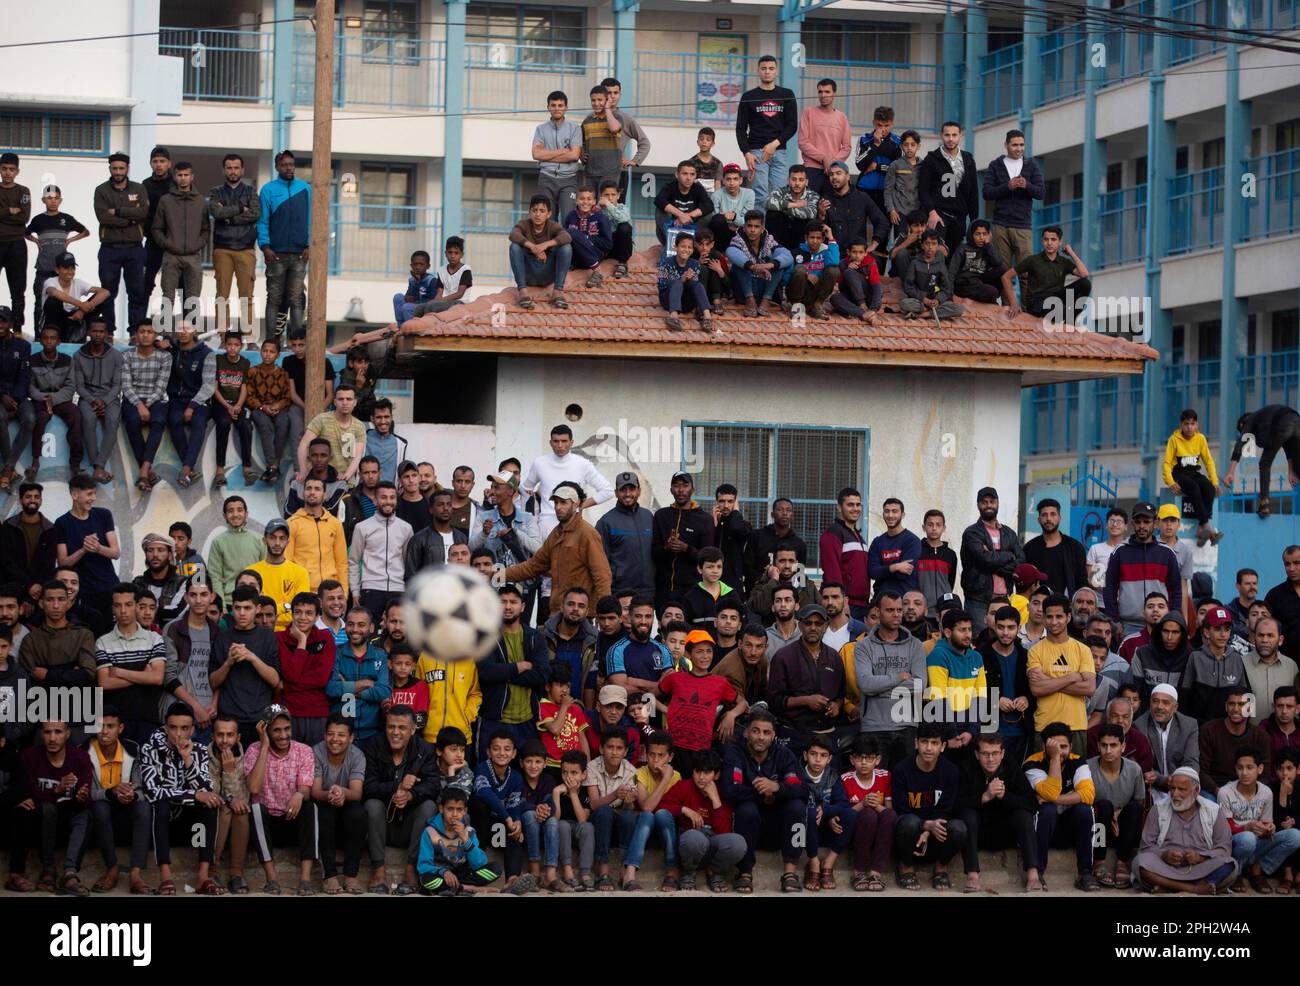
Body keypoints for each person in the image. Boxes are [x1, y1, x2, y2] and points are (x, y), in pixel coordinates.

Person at [140, 702, 225, 895]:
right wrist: (193, 795)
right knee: (159, 806)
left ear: (192, 729)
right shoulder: (149, 750)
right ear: (165, 727)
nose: (178, 734)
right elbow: (153, 791)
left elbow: (206, 790)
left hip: (191, 826)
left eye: (184, 728)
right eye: (173, 727)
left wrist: (188, 760)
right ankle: (166, 877)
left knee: (209, 806)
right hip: (163, 820)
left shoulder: (200, 751)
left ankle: (203, 877)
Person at [721, 709, 805, 894]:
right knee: (746, 809)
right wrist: (762, 792)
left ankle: (790, 872)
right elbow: (729, 790)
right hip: (747, 827)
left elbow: (802, 789)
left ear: (774, 735)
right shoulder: (735, 752)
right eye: (755, 731)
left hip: (778, 827)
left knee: (798, 806)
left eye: (766, 732)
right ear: (746, 732)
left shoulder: (784, 755)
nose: (761, 737)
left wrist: (777, 788)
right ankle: (744, 872)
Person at [9, 719, 92, 896]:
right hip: (40, 822)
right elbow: (28, 795)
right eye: (47, 732)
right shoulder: (29, 756)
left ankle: (69, 874)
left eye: (58, 732)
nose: (52, 738)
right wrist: (57, 790)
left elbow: (85, 798)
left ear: (67, 734)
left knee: (84, 815)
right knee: (47, 808)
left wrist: (81, 796)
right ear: (41, 734)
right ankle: (48, 871)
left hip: (67, 817)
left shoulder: (80, 757)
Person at [362, 704, 439, 895]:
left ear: (413, 730)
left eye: (402, 728)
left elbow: (434, 786)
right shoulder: (372, 745)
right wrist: (397, 787)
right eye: (391, 727)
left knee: (429, 806)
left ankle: (411, 869)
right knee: (372, 805)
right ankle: (379, 870)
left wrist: (411, 795)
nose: (395, 732)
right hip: (380, 826)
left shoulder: (425, 749)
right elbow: (367, 786)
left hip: (410, 827)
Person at [243, 707, 318, 895]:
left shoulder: (304, 750)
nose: (283, 735)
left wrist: (299, 794)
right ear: (265, 729)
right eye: (276, 730)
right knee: (256, 809)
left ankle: (306, 879)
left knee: (311, 807)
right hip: (266, 825)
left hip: (292, 819)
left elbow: (306, 789)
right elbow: (253, 788)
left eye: (287, 729)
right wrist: (264, 746)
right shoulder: (254, 749)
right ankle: (272, 879)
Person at [958, 731, 1042, 892]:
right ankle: (972, 876)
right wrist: (984, 796)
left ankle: (1033, 875)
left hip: (1005, 832)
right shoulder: (966, 767)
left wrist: (1005, 796)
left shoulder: (1011, 767)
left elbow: (1032, 803)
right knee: (967, 813)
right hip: (978, 833)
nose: (990, 759)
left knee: (1023, 814)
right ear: (977, 754)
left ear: (1002, 753)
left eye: (995, 753)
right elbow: (955, 804)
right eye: (985, 754)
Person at [81, 709, 152, 894]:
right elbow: (86, 793)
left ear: (120, 728)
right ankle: (112, 869)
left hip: (126, 807)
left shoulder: (133, 749)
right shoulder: (83, 751)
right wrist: (111, 793)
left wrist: (132, 795)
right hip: (102, 806)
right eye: (100, 726)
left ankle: (135, 874)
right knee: (99, 808)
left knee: (143, 807)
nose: (104, 731)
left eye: (110, 726)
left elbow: (142, 789)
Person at [1024, 720, 1099, 890]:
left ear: (1071, 746)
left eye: (1063, 747)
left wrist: (1051, 798)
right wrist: (1055, 758)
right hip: (1043, 828)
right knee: (1047, 810)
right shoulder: (1032, 764)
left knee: (1085, 810)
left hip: (1069, 827)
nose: (1060, 751)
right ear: (1044, 745)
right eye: (1054, 747)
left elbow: (1088, 795)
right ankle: (1039, 872)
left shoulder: (1078, 762)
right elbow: (1050, 792)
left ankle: (1085, 874)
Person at [767, 603, 850, 754]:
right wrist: (806, 700)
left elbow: (841, 695)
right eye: (808, 623)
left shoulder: (834, 657)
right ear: (800, 626)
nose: (813, 627)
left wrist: (836, 706)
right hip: (794, 733)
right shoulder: (784, 656)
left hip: (826, 734)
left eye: (818, 623)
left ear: (825, 626)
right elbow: (774, 700)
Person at [892, 722, 967, 890]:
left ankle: (941, 867)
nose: (928, 748)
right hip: (909, 833)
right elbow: (900, 808)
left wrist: (928, 830)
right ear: (916, 743)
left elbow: (947, 808)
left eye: (934, 743)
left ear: (943, 746)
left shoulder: (951, 771)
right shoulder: (901, 770)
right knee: (909, 822)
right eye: (924, 742)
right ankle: (906, 867)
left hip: (936, 831)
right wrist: (924, 825)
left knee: (959, 828)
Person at [208, 584, 282, 747]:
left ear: (257, 608)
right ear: (232, 608)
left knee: (260, 770)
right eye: (237, 608)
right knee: (230, 769)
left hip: (261, 717)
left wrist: (251, 657)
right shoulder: (223, 638)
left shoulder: (268, 637)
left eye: (247, 608)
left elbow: (275, 680)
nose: (242, 613)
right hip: (229, 718)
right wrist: (229, 662)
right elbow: (213, 682)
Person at [1220, 745, 1300, 892]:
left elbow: (1266, 823)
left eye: (1250, 767)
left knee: (1295, 836)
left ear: (1260, 769)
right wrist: (1246, 827)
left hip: (1257, 845)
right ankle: (1235, 873)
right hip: (1236, 844)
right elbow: (1223, 831)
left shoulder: (1266, 792)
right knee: (1247, 838)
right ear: (1235, 768)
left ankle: (1258, 869)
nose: (1244, 772)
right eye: (1240, 768)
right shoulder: (1225, 792)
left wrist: (1269, 829)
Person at [94, 582, 166, 745]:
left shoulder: (154, 639)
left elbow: (157, 678)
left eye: (128, 604)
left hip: (147, 720)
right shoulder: (103, 642)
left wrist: (119, 671)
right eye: (118, 605)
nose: (123, 611)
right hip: (115, 723)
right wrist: (143, 674)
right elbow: (105, 682)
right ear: (112, 608)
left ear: (136, 606)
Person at [1027, 594, 1096, 754]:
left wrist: (1048, 681)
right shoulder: (1035, 650)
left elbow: (1089, 688)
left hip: (1076, 726)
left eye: (1059, 616)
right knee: (1043, 777)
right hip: (1045, 725)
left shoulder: (1083, 650)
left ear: (1068, 617)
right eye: (1049, 617)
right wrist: (1071, 677)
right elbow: (1037, 689)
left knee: (1075, 777)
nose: (1054, 622)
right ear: (1043, 618)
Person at [92, 152, 150, 334]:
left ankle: (136, 332)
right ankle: (108, 331)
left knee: (137, 292)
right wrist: (130, 219)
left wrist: (117, 211)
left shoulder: (139, 189)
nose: (118, 172)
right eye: (114, 168)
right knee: (108, 292)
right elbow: (103, 217)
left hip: (134, 248)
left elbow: (143, 214)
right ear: (109, 168)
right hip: (110, 248)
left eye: (121, 168)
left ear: (127, 169)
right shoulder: (101, 190)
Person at [1104, 501, 1181, 635]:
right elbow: (1109, 587)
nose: (1142, 526)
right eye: (1138, 522)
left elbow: (1176, 590)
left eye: (1146, 522)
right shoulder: (1120, 552)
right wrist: (1114, 621)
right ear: (1133, 523)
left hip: (1161, 624)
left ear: (1155, 523)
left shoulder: (1167, 553)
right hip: (1127, 626)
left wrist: (1173, 619)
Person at [309, 713, 366, 894]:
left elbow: (356, 793)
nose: (335, 739)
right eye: (331, 734)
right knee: (323, 813)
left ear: (351, 738)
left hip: (346, 802)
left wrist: (342, 792)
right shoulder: (316, 752)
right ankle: (330, 876)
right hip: (324, 801)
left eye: (341, 735)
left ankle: (351, 876)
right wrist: (331, 794)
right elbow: (315, 791)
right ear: (325, 735)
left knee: (358, 813)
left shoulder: (357, 755)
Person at [258, 150, 311, 339]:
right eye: (284, 165)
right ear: (277, 167)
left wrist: (309, 244)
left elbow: (312, 219)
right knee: (273, 299)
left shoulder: (305, 188)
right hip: (276, 254)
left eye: (291, 164)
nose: (288, 167)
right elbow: (262, 221)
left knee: (296, 299)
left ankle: (297, 341)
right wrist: (265, 247)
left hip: (299, 254)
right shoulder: (268, 190)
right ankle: (271, 342)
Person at [52, 472, 119, 620]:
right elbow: (62, 563)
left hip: (108, 587)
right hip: (82, 591)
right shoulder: (62, 523)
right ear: (75, 495)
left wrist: (98, 548)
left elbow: (115, 553)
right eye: (89, 494)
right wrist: (83, 550)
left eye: (94, 494)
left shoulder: (104, 515)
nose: (93, 499)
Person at [206, 152, 260, 333]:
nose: (233, 171)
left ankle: (249, 335)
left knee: (247, 296)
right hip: (222, 248)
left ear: (242, 169)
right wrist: (238, 209)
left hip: (246, 248)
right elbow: (217, 213)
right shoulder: (215, 192)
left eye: (236, 167)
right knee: (222, 295)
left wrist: (229, 217)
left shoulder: (251, 191)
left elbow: (255, 213)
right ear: (224, 170)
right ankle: (223, 335)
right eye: (229, 167)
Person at [26, 184, 90, 334]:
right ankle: (38, 334)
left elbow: (85, 231)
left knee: (63, 302)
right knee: (40, 303)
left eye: (56, 198)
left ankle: (60, 334)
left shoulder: (66, 219)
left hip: (61, 270)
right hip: (43, 267)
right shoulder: (38, 219)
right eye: (49, 198)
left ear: (60, 200)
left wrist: (69, 240)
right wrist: (35, 241)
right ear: (43, 200)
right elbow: (26, 232)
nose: (53, 201)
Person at [1087, 722, 1145, 888]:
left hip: (1122, 828)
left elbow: (1138, 800)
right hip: (1097, 828)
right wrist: (1109, 813)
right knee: (1103, 806)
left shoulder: (1134, 769)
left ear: (1123, 746)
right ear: (1098, 746)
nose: (1108, 750)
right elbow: (1085, 802)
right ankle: (1099, 862)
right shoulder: (1088, 767)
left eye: (1113, 745)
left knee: (1135, 809)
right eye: (1104, 745)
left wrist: (1118, 813)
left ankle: (1122, 862)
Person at [735, 54, 798, 205]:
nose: (767, 71)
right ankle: (759, 229)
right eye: (764, 69)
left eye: (771, 68)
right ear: (758, 71)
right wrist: (746, 153)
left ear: (776, 71)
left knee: (781, 195)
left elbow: (792, 125)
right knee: (760, 195)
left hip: (779, 151)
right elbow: (740, 129)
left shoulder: (786, 94)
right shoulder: (748, 96)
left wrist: (774, 144)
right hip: (756, 153)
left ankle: (778, 229)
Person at [417, 786, 502, 896]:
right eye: (450, 809)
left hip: (464, 876)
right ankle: (471, 889)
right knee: (425, 879)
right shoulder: (430, 832)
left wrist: (465, 839)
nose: (455, 814)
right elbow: (423, 866)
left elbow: (480, 864)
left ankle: (458, 888)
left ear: (465, 811)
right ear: (441, 809)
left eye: (459, 809)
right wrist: (443, 872)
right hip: (441, 875)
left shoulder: (469, 831)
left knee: (495, 868)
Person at [68, 319, 123, 487]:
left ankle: (98, 466)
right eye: (94, 331)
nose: (98, 334)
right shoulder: (78, 355)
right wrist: (93, 400)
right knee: (88, 420)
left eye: (101, 331)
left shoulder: (115, 355)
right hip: (88, 397)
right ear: (88, 333)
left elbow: (117, 385)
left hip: (110, 398)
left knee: (113, 421)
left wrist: (104, 401)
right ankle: (98, 466)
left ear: (106, 334)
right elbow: (79, 386)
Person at [23, 324, 82, 479]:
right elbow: (29, 386)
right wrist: (43, 398)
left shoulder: (67, 360)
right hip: (40, 400)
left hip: (60, 399)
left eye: (53, 338)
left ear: (59, 341)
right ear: (41, 341)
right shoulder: (33, 360)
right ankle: (35, 462)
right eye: (45, 338)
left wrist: (53, 399)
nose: (49, 341)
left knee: (76, 415)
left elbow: (71, 386)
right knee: (40, 418)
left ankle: (75, 464)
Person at [347, 481, 412, 623]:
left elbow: (407, 561)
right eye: (383, 497)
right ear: (375, 501)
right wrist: (356, 591)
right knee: (370, 633)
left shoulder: (406, 528)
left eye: (392, 497)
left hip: (398, 589)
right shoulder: (362, 527)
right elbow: (353, 561)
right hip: (371, 590)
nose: (388, 501)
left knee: (396, 633)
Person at [959, 486, 1023, 629]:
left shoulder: (1009, 533)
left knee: (1004, 640)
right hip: (978, 600)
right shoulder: (972, 533)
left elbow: (1020, 562)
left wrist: (992, 560)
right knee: (980, 642)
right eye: (984, 502)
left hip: (1004, 599)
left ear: (998, 503)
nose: (988, 505)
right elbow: (984, 559)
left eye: (992, 501)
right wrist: (1008, 555)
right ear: (978, 505)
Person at [152, 160, 210, 317]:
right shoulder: (166, 200)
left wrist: (198, 244)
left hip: (193, 256)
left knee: (192, 299)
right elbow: (156, 228)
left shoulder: (200, 201)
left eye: (186, 175)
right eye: (180, 175)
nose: (183, 178)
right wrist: (167, 244)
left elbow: (206, 229)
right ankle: (166, 336)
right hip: (171, 255)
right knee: (168, 298)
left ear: (192, 177)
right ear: (174, 177)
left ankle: (191, 335)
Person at [325, 606, 390, 742]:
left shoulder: (380, 655)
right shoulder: (336, 653)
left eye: (361, 625)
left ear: (371, 628)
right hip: (341, 735)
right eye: (350, 624)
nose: (355, 629)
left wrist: (349, 688)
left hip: (372, 734)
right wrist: (366, 684)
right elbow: (331, 689)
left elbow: (384, 691)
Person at [1002, 225, 1092, 323]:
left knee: (1085, 284)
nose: (1049, 243)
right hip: (1037, 303)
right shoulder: (1033, 260)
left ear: (1060, 242)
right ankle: (1068, 318)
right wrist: (1013, 303)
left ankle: (1069, 320)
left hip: (1056, 299)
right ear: (1042, 241)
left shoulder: (1064, 262)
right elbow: (1006, 277)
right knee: (1064, 310)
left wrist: (1071, 253)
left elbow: (1084, 274)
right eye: (1046, 239)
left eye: (1053, 240)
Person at [982, 129, 1045, 267]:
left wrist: (1026, 185)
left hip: (1022, 225)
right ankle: (1004, 290)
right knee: (1001, 269)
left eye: (1021, 145)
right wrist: (1007, 186)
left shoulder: (1031, 165)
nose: (1019, 149)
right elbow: (986, 193)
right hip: (1000, 225)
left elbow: (1041, 193)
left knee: (1026, 271)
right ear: (1006, 145)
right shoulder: (995, 165)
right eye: (1015, 145)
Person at [163, 320, 215, 489]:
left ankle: (185, 469)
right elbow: (160, 341)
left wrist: (192, 406)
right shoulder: (173, 350)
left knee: (199, 423)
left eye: (187, 328)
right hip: (176, 399)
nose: (183, 332)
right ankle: (190, 468)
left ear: (194, 331)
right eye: (179, 329)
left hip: (199, 399)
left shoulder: (207, 353)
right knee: (174, 420)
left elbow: (208, 385)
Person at [1163, 408, 1224, 546]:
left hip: (1193, 472)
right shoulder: (1174, 440)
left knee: (1208, 488)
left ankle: (1201, 528)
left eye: (1192, 424)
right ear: (1181, 425)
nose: (1189, 427)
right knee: (1193, 487)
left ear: (1197, 425)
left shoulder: (1200, 439)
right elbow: (1166, 463)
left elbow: (1208, 461)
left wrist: (1215, 482)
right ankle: (1207, 527)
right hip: (1178, 472)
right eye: (1186, 424)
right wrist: (1171, 482)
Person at [918, 120, 979, 257]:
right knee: (938, 252)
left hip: (960, 217)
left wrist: (974, 220)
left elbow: (973, 191)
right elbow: (923, 190)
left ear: (960, 136)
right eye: (947, 135)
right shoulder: (931, 159)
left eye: (954, 135)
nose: (950, 139)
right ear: (941, 135)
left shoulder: (968, 159)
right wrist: (932, 212)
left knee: (955, 255)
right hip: (939, 215)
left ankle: (949, 279)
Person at [1134, 683, 1202, 799]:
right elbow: (1142, 765)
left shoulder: (1189, 725)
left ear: (1175, 707)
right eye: (1155, 701)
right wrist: (1161, 781)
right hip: (1152, 788)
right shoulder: (1139, 726)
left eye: (1165, 703)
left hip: (1181, 786)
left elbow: (1191, 762)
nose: (1159, 706)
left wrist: (1174, 780)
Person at [1199, 688, 1271, 796]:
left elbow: (1265, 773)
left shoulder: (1260, 736)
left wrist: (1249, 793)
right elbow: (1201, 771)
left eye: (1241, 704)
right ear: (1226, 707)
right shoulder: (1209, 730)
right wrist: (1218, 791)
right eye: (1231, 704)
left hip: (1249, 790)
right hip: (1215, 789)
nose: (1236, 709)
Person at [508, 194, 573, 311]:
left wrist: (545, 245)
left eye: (542, 211)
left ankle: (557, 291)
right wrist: (533, 247)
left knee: (566, 248)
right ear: (530, 212)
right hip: (529, 273)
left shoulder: (552, 226)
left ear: (549, 214)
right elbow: (513, 235)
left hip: (547, 273)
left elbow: (567, 237)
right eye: (534, 210)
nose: (538, 214)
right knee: (514, 246)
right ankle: (522, 291)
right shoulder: (524, 224)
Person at [595, 471, 654, 598]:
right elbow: (600, 563)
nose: (628, 494)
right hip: (619, 593)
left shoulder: (648, 517)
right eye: (623, 490)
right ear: (616, 493)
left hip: (647, 592)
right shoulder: (606, 522)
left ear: (639, 491)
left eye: (632, 489)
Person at [286, 477, 349, 597]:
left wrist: (344, 594)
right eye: (308, 488)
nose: (312, 492)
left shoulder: (335, 524)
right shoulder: (291, 523)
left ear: (324, 494)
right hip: (303, 591)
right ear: (303, 493)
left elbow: (342, 563)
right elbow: (287, 563)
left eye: (317, 489)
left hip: (331, 591)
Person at [724, 210, 793, 317]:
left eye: (756, 227)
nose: (752, 230)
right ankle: (750, 300)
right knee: (739, 266)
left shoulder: (769, 240)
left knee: (778, 265)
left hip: (764, 288)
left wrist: (768, 265)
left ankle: (766, 301)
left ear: (762, 228)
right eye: (749, 226)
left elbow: (787, 256)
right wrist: (753, 267)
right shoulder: (738, 240)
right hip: (743, 290)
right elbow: (731, 251)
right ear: (744, 227)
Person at [209, 331, 255, 487]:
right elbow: (214, 388)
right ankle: (220, 470)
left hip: (238, 404)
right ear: (225, 345)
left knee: (246, 426)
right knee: (223, 423)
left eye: (236, 345)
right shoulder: (218, 360)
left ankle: (247, 468)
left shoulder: (245, 363)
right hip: (220, 404)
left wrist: (237, 406)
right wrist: (228, 406)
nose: (232, 348)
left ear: (241, 347)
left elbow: (244, 388)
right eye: (229, 344)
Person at [248, 519, 310, 630]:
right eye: (272, 537)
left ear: (288, 541)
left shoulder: (300, 573)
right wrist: (286, 606)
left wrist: (266, 612)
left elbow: (300, 612)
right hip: (257, 633)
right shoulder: (251, 572)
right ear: (264, 540)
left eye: (282, 538)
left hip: (289, 634)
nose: (277, 543)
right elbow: (249, 611)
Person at [818, 487, 868, 619]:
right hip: (846, 605)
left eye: (858, 505)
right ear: (839, 507)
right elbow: (832, 572)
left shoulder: (858, 536)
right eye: (850, 505)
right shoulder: (833, 534)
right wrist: (841, 602)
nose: (855, 508)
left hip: (861, 605)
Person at [37, 252, 109, 343]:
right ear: (57, 270)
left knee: (102, 300)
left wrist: (82, 311)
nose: (70, 272)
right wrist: (81, 305)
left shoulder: (78, 282)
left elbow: (105, 292)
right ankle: (53, 336)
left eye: (72, 268)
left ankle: (87, 333)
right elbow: (54, 292)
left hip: (75, 318)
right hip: (55, 320)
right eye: (66, 268)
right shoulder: (50, 281)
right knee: (53, 301)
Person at [533, 90, 583, 219]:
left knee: (568, 218)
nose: (557, 108)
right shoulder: (541, 129)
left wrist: (547, 156)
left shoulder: (574, 128)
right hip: (546, 178)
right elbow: (536, 154)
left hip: (569, 179)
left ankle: (567, 240)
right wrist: (562, 151)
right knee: (547, 219)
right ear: (548, 107)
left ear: (566, 107)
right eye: (553, 105)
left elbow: (574, 156)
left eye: (560, 105)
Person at [207, 496, 265, 607]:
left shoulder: (259, 540)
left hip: (255, 601)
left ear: (246, 514)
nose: (235, 514)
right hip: (230, 601)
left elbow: (266, 573)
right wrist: (221, 605)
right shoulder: (218, 542)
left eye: (239, 510)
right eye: (230, 511)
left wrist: (261, 601)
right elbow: (215, 577)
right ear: (225, 516)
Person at [798, 79, 852, 196]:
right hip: (812, 170)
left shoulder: (842, 117)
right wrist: (823, 158)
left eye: (827, 92)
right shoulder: (809, 113)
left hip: (833, 172)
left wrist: (833, 162)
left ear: (834, 94)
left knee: (830, 210)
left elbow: (847, 147)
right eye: (820, 92)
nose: (823, 95)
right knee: (809, 208)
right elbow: (803, 142)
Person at [900, 230, 964, 320]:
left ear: (938, 246)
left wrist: (938, 300)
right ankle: (929, 311)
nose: (930, 247)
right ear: (922, 246)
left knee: (959, 309)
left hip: (935, 301)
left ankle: (924, 314)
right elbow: (908, 287)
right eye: (927, 243)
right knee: (904, 304)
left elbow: (947, 289)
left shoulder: (941, 265)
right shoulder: (915, 263)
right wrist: (923, 299)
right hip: (920, 301)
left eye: (934, 244)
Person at [655, 230, 711, 332]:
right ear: (676, 247)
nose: (686, 250)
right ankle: (673, 318)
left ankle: (707, 318)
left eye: (689, 247)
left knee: (698, 285)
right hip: (668, 301)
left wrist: (689, 280)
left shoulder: (694, 264)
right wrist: (681, 280)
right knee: (677, 283)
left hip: (685, 303)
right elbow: (661, 285)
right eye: (683, 246)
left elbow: (694, 287)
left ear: (693, 250)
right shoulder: (666, 262)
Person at [854, 106, 901, 224]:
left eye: (887, 126)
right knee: (858, 225)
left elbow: (898, 169)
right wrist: (875, 144)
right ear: (874, 123)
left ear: (892, 124)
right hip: (864, 190)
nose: (883, 129)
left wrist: (877, 167)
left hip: (886, 192)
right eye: (880, 125)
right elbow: (860, 165)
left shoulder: (898, 142)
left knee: (884, 226)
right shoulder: (864, 140)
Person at [653, 160, 713, 249]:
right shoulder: (670, 186)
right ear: (677, 175)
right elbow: (659, 200)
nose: (688, 178)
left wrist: (688, 216)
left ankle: (693, 243)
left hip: (692, 229)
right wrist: (680, 215)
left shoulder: (698, 188)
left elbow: (709, 205)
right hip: (672, 228)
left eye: (692, 174)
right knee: (659, 210)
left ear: (695, 176)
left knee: (708, 215)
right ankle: (671, 243)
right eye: (685, 174)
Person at [763, 165, 821, 255]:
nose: (797, 183)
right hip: (782, 232)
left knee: (804, 219)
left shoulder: (813, 195)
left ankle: (801, 253)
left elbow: (811, 213)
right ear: (788, 180)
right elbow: (767, 202)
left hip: (800, 234)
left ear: (806, 182)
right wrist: (795, 205)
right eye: (794, 179)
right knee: (772, 213)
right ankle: (773, 249)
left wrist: (784, 208)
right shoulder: (781, 191)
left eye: (801, 180)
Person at [884, 129, 922, 241]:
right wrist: (891, 210)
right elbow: (888, 190)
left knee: (917, 244)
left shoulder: (924, 166)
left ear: (918, 146)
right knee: (900, 245)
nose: (909, 148)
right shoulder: (895, 165)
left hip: (917, 213)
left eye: (913, 145)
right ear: (901, 146)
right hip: (900, 213)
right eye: (906, 145)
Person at [708, 162, 754, 249]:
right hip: (722, 232)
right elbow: (713, 219)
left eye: (735, 179)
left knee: (752, 225)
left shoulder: (749, 194)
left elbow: (747, 220)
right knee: (718, 219)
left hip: (741, 231)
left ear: (741, 180)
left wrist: (734, 217)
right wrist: (726, 219)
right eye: (728, 179)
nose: (732, 183)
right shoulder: (716, 195)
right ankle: (720, 252)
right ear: (723, 181)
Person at [1088, 507, 1129, 590]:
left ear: (1126, 526)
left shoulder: (1131, 550)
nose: (1114, 525)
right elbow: (1090, 579)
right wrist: (1108, 591)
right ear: (1106, 525)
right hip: (1100, 602)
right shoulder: (1095, 549)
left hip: (1125, 600)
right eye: (1111, 521)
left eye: (1119, 522)